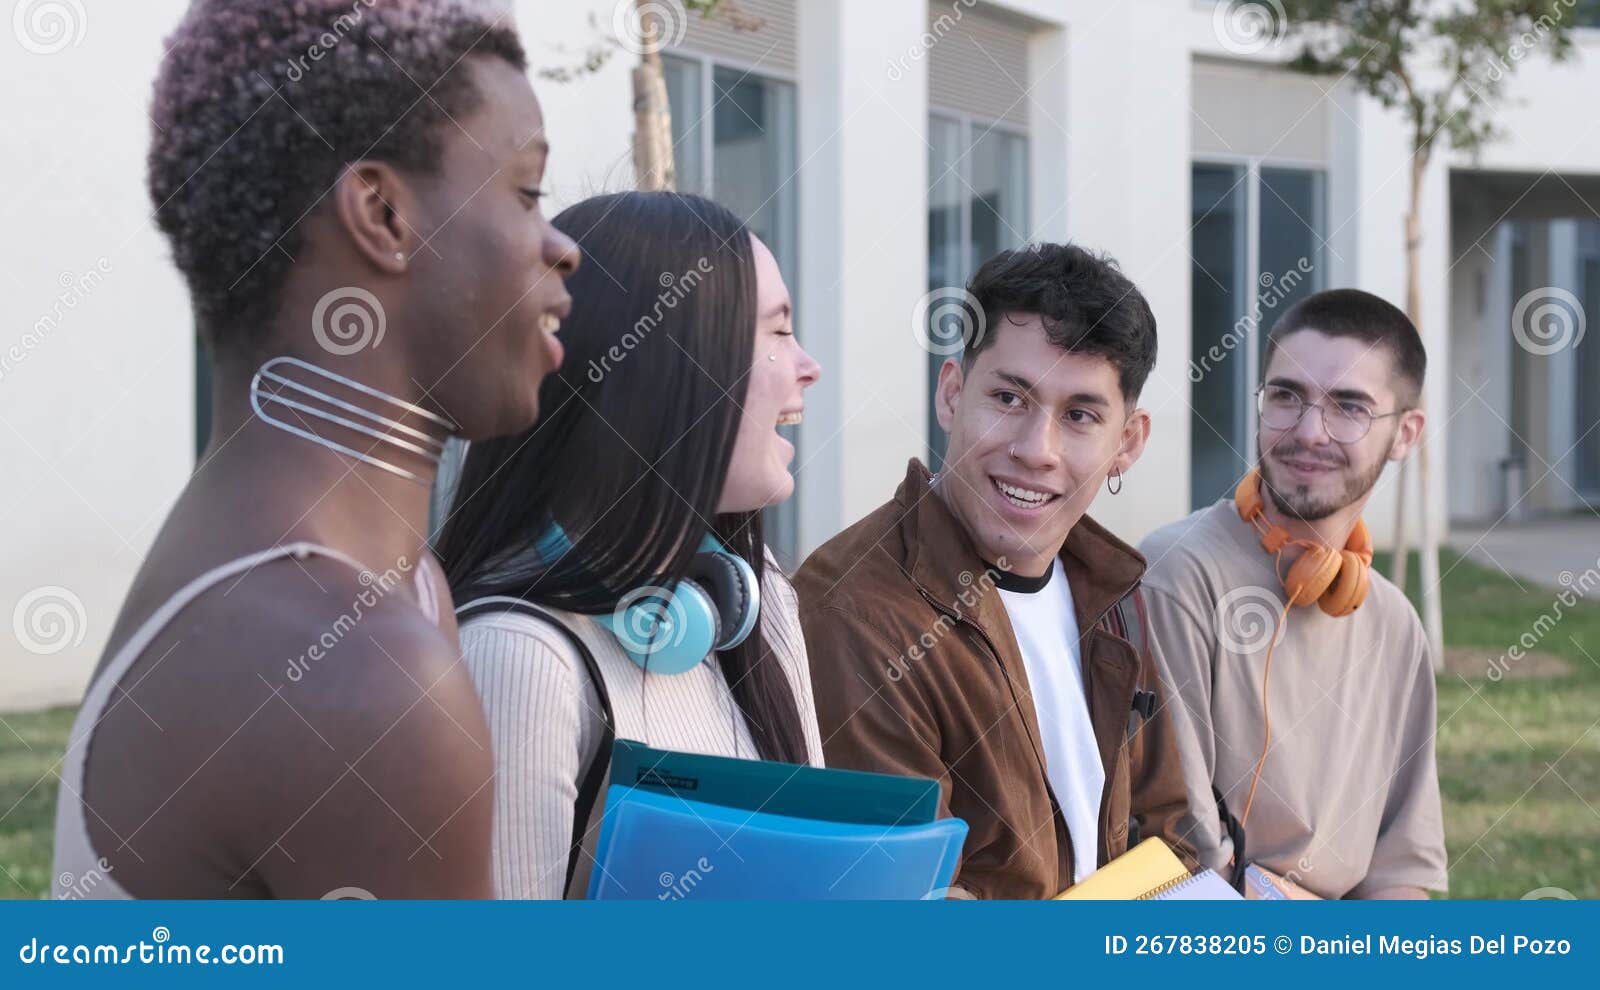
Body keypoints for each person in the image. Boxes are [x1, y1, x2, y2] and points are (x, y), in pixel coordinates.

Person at [52, 0, 579, 899]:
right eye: (527, 193)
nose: (560, 246)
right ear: (381, 213)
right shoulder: (360, 675)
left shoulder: (391, 593)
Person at [436, 191, 825, 899]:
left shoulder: (760, 602)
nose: (808, 366)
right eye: (776, 333)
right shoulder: (518, 657)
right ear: (667, 372)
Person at [794, 243, 1195, 899]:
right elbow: (914, 912)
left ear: (1127, 443)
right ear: (952, 395)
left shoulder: (1114, 592)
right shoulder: (853, 612)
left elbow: (1167, 840)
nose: (1035, 450)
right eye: (1009, 397)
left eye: (1080, 416)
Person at [1140, 288, 1447, 899]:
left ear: (1406, 433)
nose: (1309, 431)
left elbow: (1403, 870)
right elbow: (1181, 849)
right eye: (1286, 396)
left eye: (1349, 407)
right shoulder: (1176, 572)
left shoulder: (1393, 622)